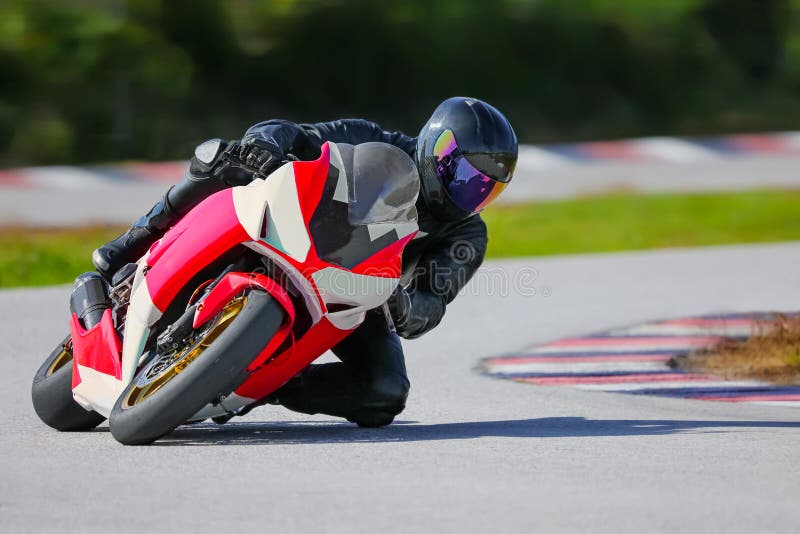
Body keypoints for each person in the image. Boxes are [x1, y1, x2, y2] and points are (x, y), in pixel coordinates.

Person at [93, 96, 518, 427]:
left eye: (485, 188)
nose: (471, 192)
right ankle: (135, 240)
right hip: (290, 230)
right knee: (224, 158)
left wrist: (402, 304)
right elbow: (291, 132)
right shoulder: (373, 139)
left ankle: (254, 383)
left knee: (384, 392)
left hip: (355, 292)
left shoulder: (466, 234)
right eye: (465, 174)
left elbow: (432, 302)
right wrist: (265, 146)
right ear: (437, 145)